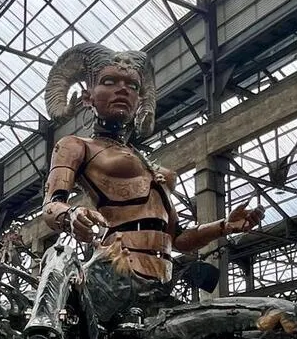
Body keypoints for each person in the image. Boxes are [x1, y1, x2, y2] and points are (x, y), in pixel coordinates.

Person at [41, 44, 263, 324]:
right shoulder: (74, 145)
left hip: (161, 279)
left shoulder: (147, 165)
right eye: (109, 82)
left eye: (133, 85)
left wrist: (224, 226)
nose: (123, 89)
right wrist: (70, 215)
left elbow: (179, 238)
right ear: (88, 97)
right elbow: (51, 205)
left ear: (139, 99)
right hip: (114, 273)